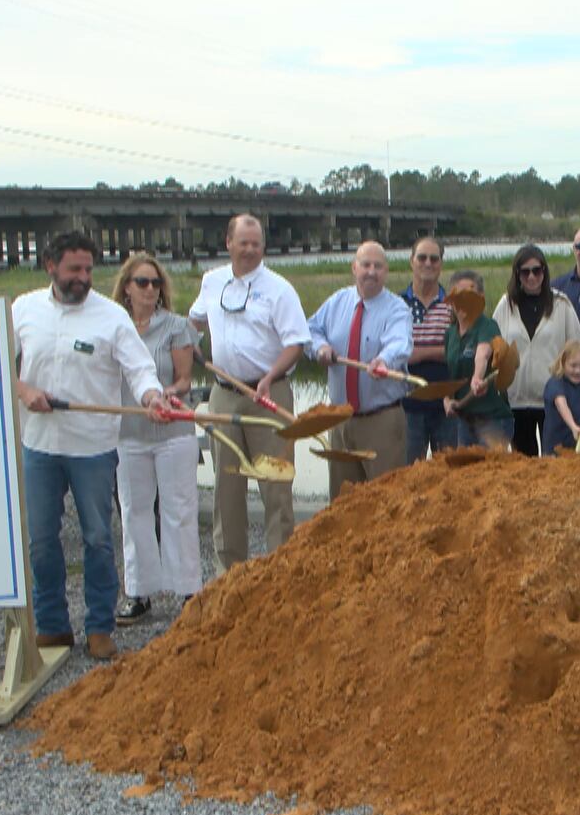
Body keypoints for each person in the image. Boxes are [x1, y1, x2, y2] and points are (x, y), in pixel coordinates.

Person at [12, 231, 178, 660]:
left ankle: (99, 626)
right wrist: (23, 389)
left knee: (99, 538)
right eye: (74, 270)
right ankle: (52, 625)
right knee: (43, 540)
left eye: (88, 269)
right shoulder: (23, 310)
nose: (83, 278)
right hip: (39, 444)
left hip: (93, 447)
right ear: (50, 265)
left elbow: (139, 369)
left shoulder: (111, 317)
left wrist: (152, 397)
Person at [188, 214, 309, 571]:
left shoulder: (279, 289)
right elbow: (192, 322)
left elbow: (296, 342)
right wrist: (187, 351)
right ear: (229, 243)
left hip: (268, 396)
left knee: (275, 485)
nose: (250, 250)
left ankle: (280, 569)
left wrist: (271, 376)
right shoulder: (212, 282)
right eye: (243, 242)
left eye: (256, 244)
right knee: (227, 487)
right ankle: (231, 572)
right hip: (223, 393)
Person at [109, 253, 201, 628]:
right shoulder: (114, 326)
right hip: (129, 434)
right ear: (126, 288)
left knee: (179, 509)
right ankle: (139, 592)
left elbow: (184, 379)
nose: (150, 289)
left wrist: (163, 395)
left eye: (155, 283)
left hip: (172, 432)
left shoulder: (176, 326)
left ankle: (188, 589)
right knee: (134, 512)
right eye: (142, 283)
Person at [308, 241, 414, 497]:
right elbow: (310, 330)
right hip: (341, 420)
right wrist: (320, 348)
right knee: (343, 500)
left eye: (378, 266)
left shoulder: (397, 308)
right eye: (366, 265)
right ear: (354, 268)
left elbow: (400, 343)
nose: (371, 272)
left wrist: (384, 361)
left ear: (386, 271)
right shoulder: (337, 302)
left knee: (386, 499)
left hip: (381, 421)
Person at [492, 244, 580, 456]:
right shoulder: (506, 305)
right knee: (523, 466)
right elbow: (494, 347)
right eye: (525, 272)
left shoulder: (561, 304)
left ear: (545, 271)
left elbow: (577, 349)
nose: (531, 277)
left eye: (537, 270)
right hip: (516, 400)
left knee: (555, 462)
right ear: (517, 274)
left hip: (553, 401)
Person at [400, 237, 457, 462]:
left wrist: (421, 353)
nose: (428, 263)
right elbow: (393, 352)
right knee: (408, 474)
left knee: (449, 472)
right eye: (422, 258)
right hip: (407, 405)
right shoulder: (397, 305)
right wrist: (440, 349)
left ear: (441, 264)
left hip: (446, 405)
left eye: (434, 259)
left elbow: (459, 349)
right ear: (411, 262)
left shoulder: (454, 304)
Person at [441, 271, 513, 447]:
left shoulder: (488, 326)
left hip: (492, 420)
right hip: (464, 420)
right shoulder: (450, 333)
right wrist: (447, 400)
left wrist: (477, 377)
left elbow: (483, 352)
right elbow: (450, 374)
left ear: (480, 297)